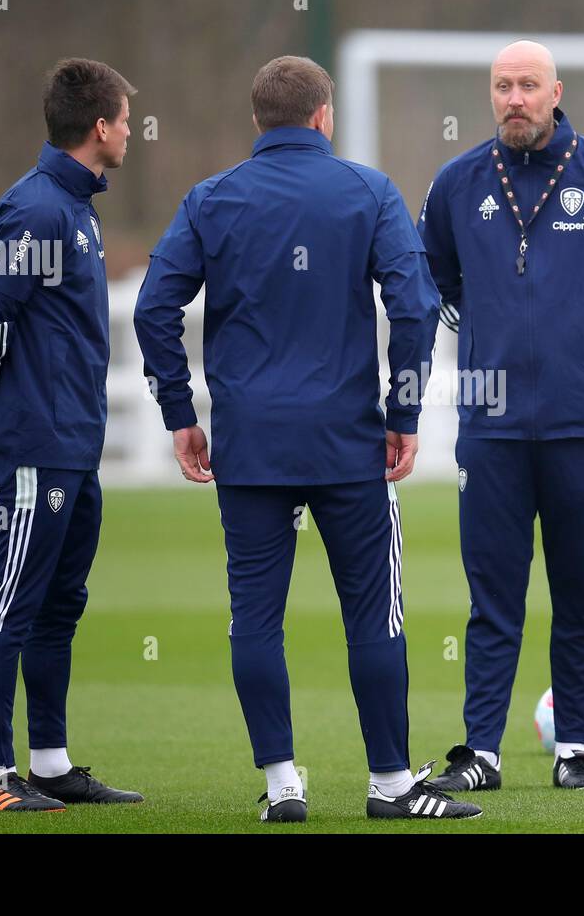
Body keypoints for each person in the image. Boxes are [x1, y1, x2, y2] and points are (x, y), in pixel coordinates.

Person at [133, 55, 480, 823]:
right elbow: (415, 309)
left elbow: (154, 309)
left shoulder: (211, 198)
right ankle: (391, 784)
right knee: (374, 615)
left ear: (259, 120)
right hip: (347, 443)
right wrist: (405, 415)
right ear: (324, 116)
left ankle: (284, 782)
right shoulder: (367, 190)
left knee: (254, 616)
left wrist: (179, 414)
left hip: (250, 446)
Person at [418, 40, 584, 792]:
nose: (514, 98)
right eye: (502, 86)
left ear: (555, 91)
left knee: (579, 591)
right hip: (491, 424)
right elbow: (435, 285)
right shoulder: (456, 183)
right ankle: (483, 753)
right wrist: (495, 338)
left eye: (528, 85)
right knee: (492, 593)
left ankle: (572, 750)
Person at [0, 58, 143, 812]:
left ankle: (52, 763)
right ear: (99, 127)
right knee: (12, 604)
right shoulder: (34, 210)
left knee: (61, 605)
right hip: (37, 444)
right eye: (125, 120)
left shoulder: (75, 207)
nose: (131, 132)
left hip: (74, 446)